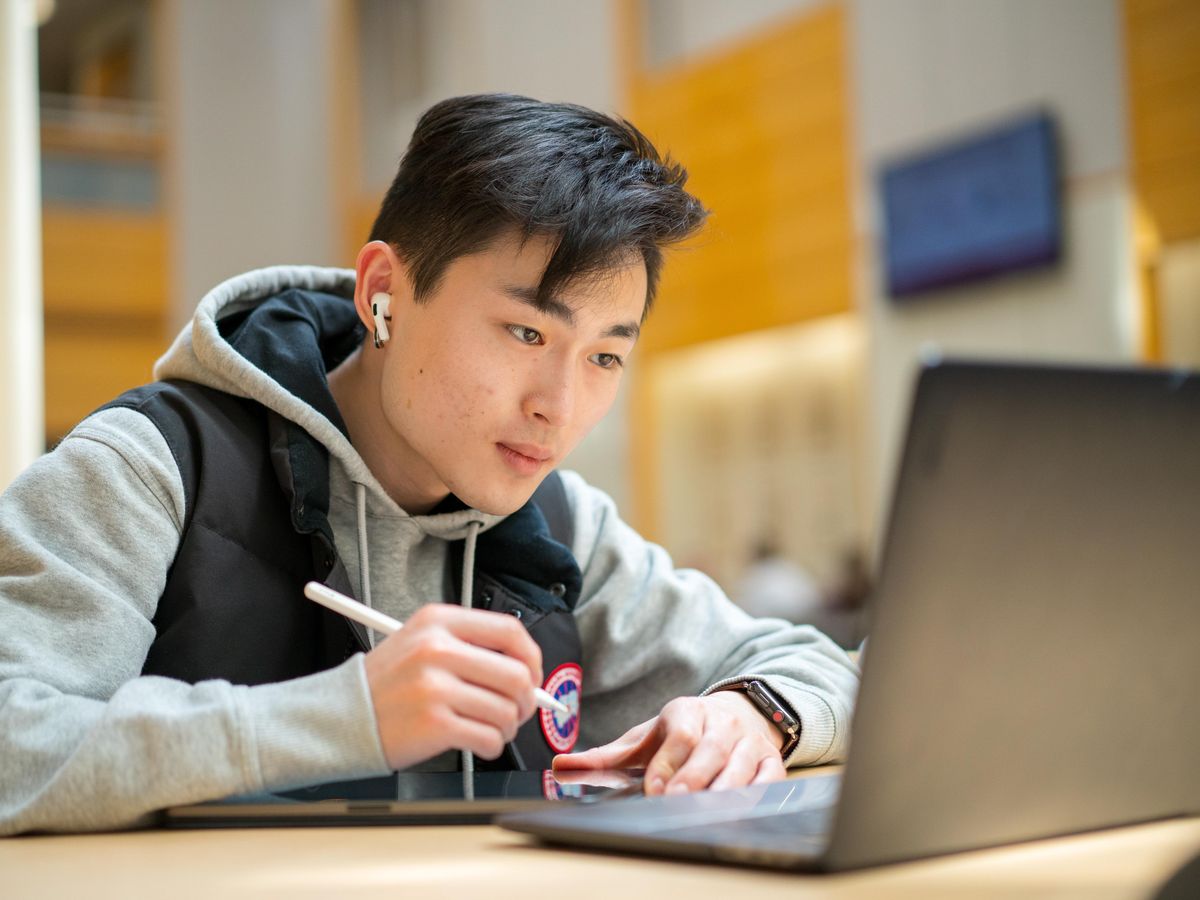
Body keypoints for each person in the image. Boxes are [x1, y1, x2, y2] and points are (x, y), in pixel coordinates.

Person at [0, 94, 858, 835]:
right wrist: (344, 717)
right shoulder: (150, 468)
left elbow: (822, 669)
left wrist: (755, 713)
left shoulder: (560, 524)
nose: (558, 407)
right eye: (526, 333)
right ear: (384, 294)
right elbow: (12, 739)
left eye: (604, 357)